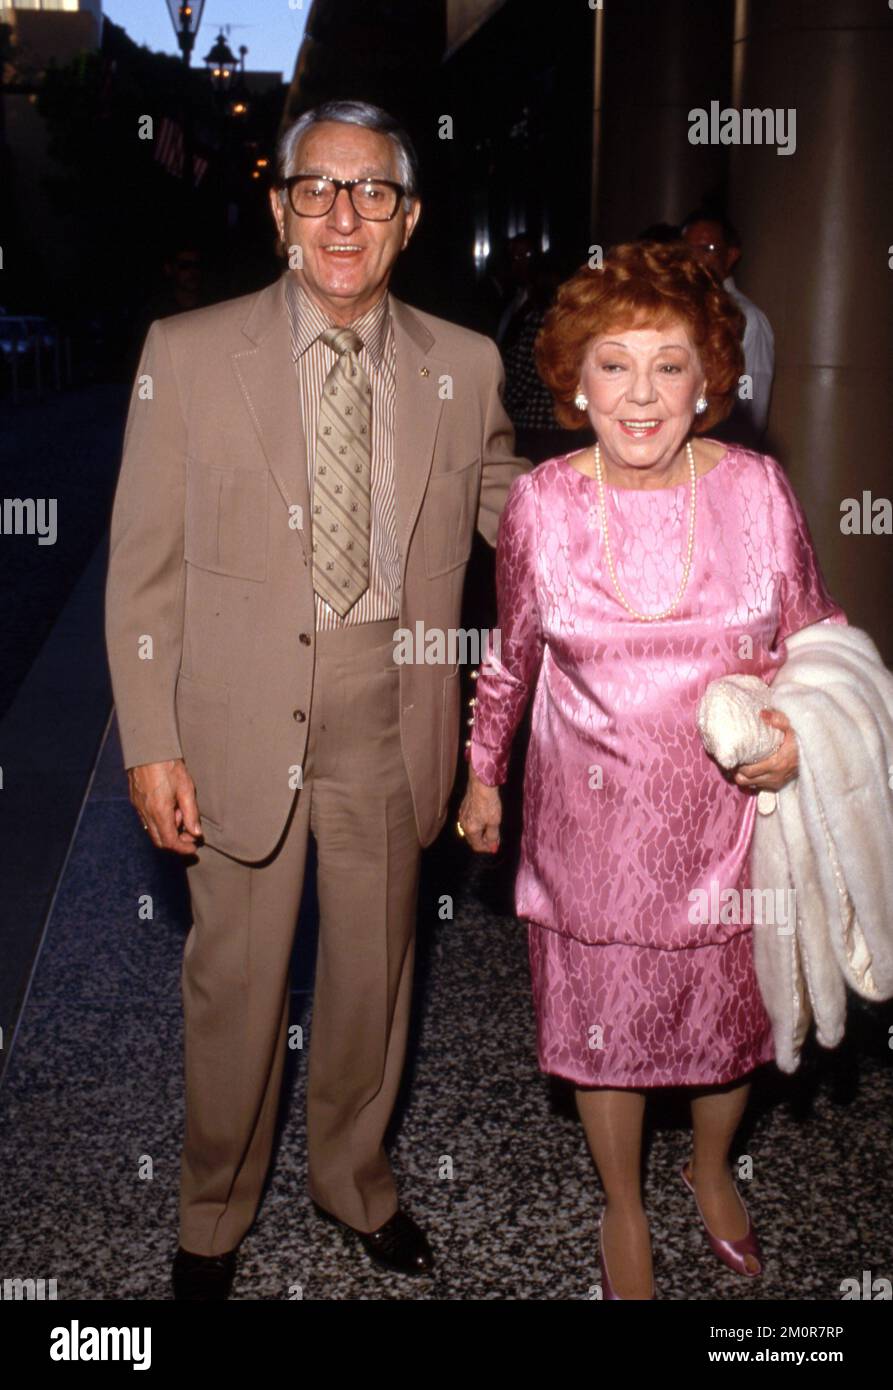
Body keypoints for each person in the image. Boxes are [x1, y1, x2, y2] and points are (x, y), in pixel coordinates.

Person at [105, 99, 527, 1300]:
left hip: (396, 709)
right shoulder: (184, 354)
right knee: (234, 984)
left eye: (372, 191)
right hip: (235, 714)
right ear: (279, 206)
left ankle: (353, 1180)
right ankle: (210, 1211)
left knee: (373, 975)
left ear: (408, 217)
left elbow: (522, 513)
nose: (344, 215)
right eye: (317, 189)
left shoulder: (464, 364)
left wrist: (646, 496)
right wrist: (152, 739)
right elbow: (142, 569)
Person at [456, 240, 846, 1299]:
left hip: (732, 823)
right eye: (612, 363)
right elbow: (511, 654)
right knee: (605, 1034)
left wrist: (805, 736)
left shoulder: (758, 490)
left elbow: (817, 635)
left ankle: (711, 1167)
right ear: (575, 382)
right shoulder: (538, 505)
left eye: (667, 364)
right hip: (593, 837)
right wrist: (483, 770)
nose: (640, 394)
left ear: (707, 378)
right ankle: (621, 1204)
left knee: (733, 1032)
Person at [682, 211, 775, 449]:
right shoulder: (674, 311)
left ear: (731, 255)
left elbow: (753, 403)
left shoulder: (747, 317)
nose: (695, 258)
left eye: (707, 249)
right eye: (687, 249)